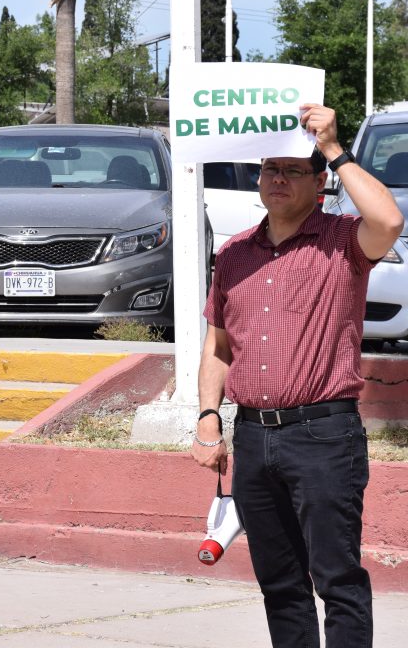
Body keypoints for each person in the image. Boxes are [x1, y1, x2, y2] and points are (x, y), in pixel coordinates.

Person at [191, 104, 403, 648]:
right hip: (254, 436)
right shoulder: (234, 252)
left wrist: (334, 146)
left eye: (292, 170)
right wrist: (209, 418)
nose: (277, 180)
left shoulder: (343, 242)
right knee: (280, 585)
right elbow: (218, 346)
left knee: (337, 580)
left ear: (320, 182)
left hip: (324, 437)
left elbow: (390, 222)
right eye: (269, 169)